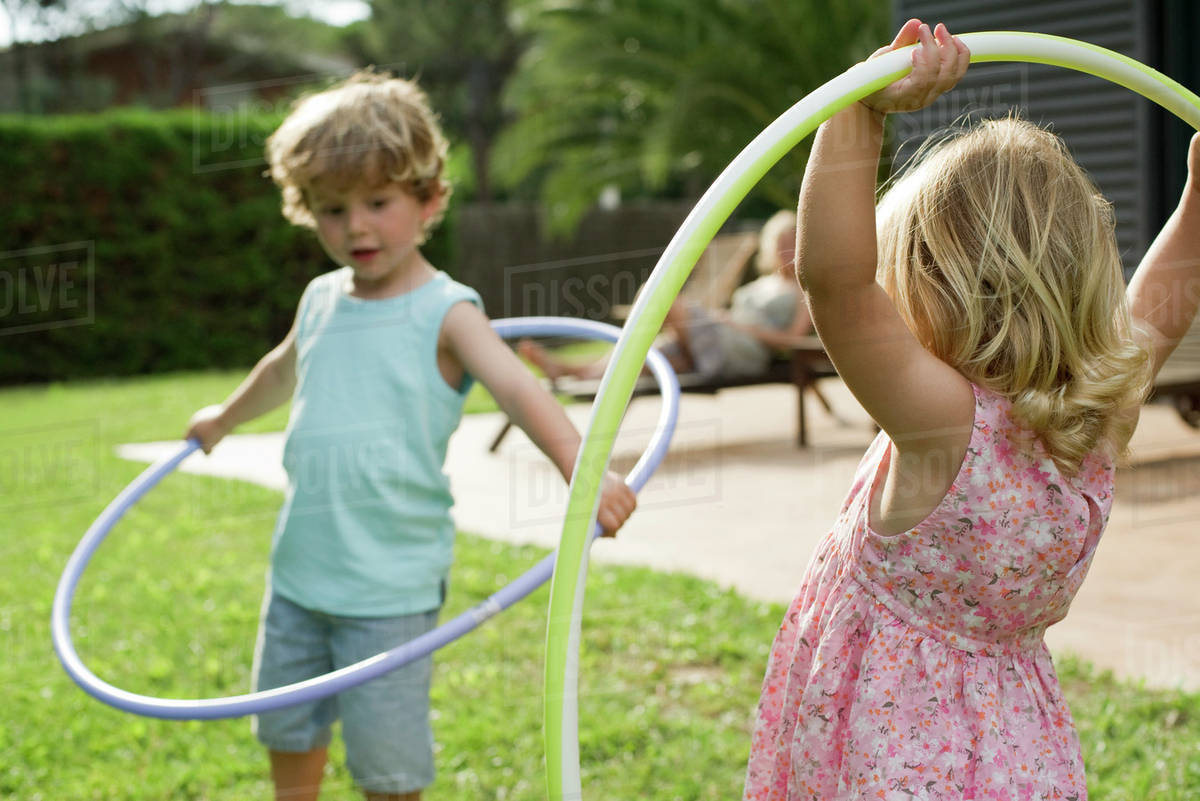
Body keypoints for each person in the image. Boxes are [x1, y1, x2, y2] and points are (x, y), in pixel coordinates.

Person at [743, 19, 1200, 800]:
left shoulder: (941, 424)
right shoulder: (1097, 416)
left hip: (896, 756)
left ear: (933, 285)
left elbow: (834, 282)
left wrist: (861, 110)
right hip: (1015, 753)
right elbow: (1161, 307)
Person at [184, 71, 637, 801]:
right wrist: (223, 418)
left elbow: (519, 389)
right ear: (306, 209)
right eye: (332, 209)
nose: (355, 227)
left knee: (388, 764)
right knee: (288, 729)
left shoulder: (447, 311)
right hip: (300, 573)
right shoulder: (320, 299)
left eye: (377, 202)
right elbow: (280, 370)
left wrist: (583, 473)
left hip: (388, 587)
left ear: (429, 199)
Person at [518, 209, 814, 382]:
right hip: (720, 335)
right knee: (654, 353)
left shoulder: (804, 288)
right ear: (769, 246)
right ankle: (576, 370)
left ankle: (577, 368)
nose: (785, 249)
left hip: (743, 350)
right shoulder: (759, 283)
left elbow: (794, 339)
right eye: (780, 241)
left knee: (659, 296)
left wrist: (742, 327)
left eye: (791, 241)